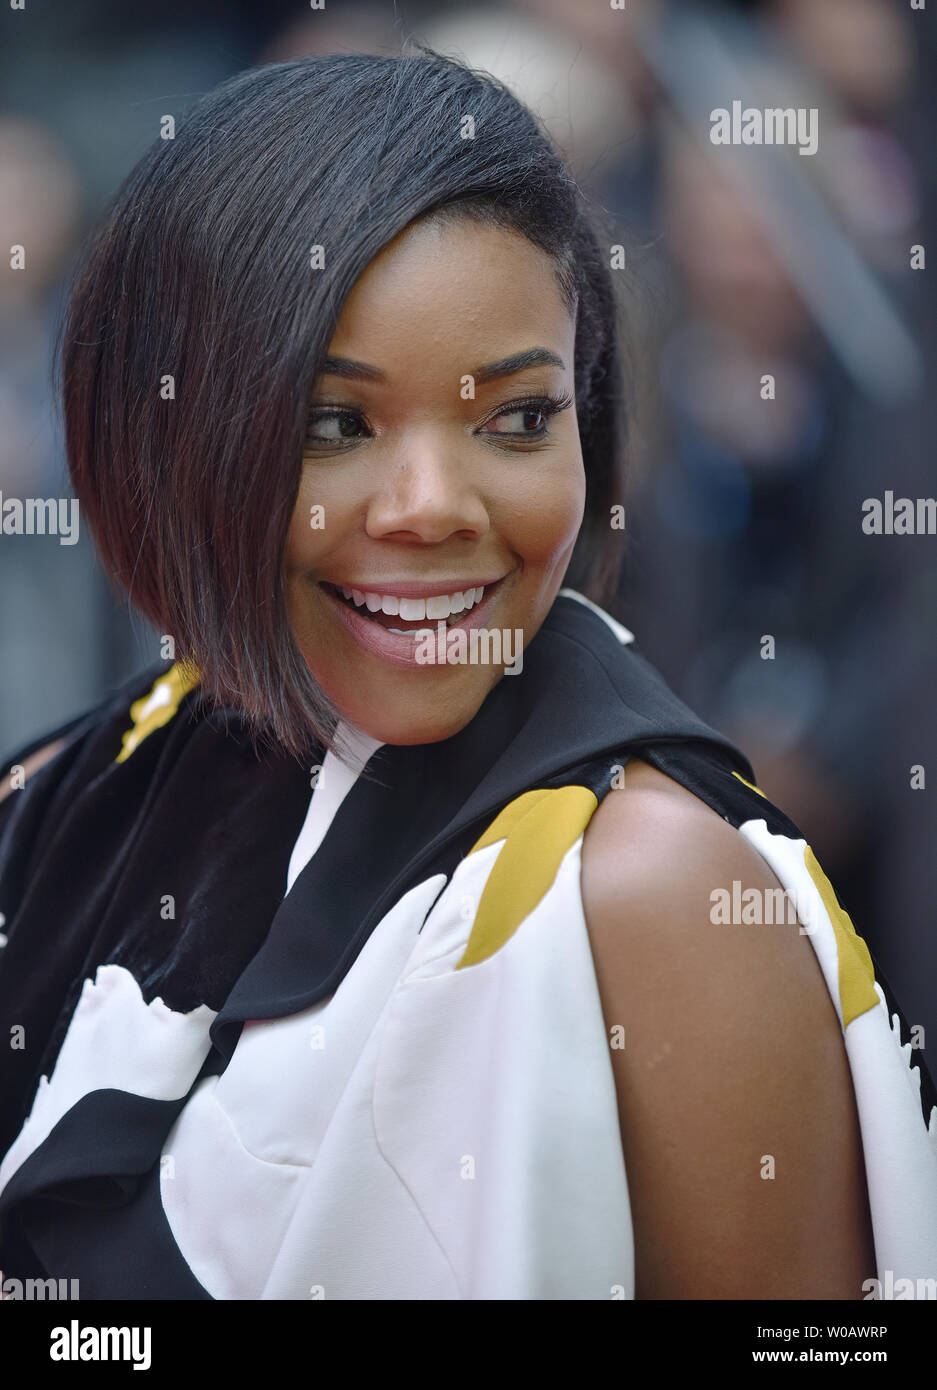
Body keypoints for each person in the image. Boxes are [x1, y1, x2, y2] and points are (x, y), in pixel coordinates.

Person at [0, 48, 934, 1302]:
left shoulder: (650, 900)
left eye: (515, 419)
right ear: (161, 431)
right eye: (336, 423)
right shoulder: (60, 796)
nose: (436, 507)